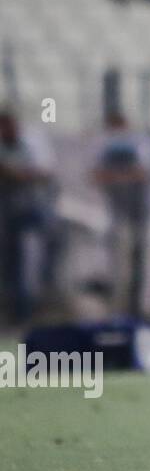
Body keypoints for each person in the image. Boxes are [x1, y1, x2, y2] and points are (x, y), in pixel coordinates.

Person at [91, 111, 150, 319]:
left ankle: (147, 310)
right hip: (121, 214)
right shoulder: (105, 146)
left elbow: (144, 172)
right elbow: (95, 175)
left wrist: (115, 176)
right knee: (120, 264)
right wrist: (123, 175)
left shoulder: (142, 144)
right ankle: (119, 311)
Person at [0, 105, 58, 326]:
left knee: (31, 262)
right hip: (8, 215)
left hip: (33, 213)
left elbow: (44, 173)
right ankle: (15, 310)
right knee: (10, 264)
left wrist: (14, 173)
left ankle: (33, 310)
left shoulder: (32, 143)